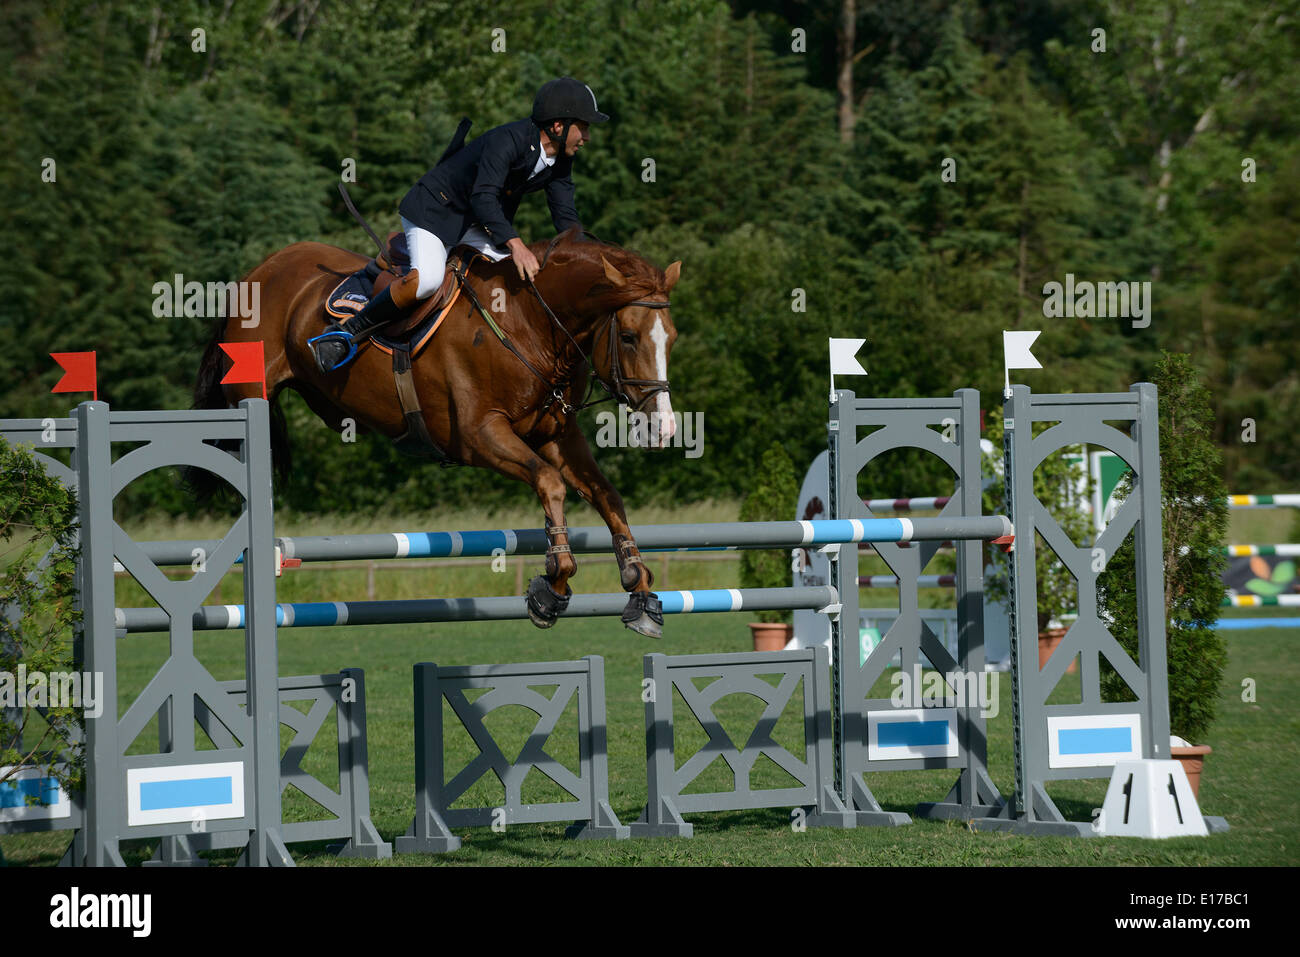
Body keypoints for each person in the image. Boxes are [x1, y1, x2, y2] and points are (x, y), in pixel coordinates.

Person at [311, 77, 609, 373]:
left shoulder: (560, 159)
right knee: (428, 281)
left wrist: (591, 260)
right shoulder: (508, 140)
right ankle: (346, 332)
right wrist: (516, 245)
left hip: (474, 222)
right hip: (433, 212)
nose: (587, 137)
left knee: (520, 282)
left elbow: (565, 215)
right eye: (583, 127)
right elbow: (484, 197)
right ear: (558, 126)